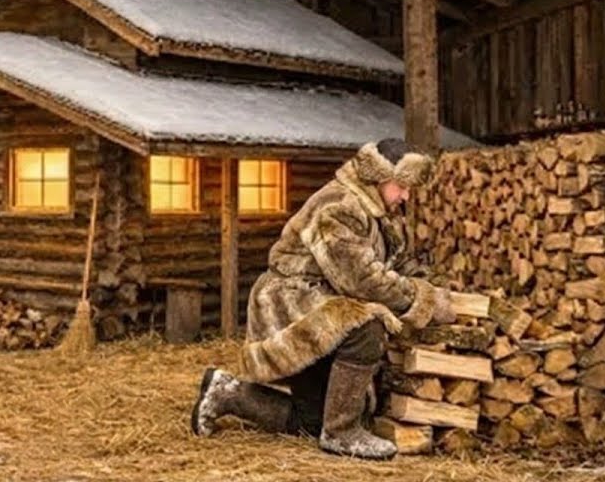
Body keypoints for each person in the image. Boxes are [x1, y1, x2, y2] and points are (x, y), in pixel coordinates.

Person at [189, 138, 456, 460]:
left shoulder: (378, 211)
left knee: (312, 420)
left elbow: (394, 264)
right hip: (293, 303)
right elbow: (362, 280)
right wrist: (424, 299)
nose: (406, 195)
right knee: (365, 326)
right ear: (377, 177)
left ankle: (227, 393)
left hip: (319, 301)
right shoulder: (340, 207)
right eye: (401, 186)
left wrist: (432, 283)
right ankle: (341, 433)